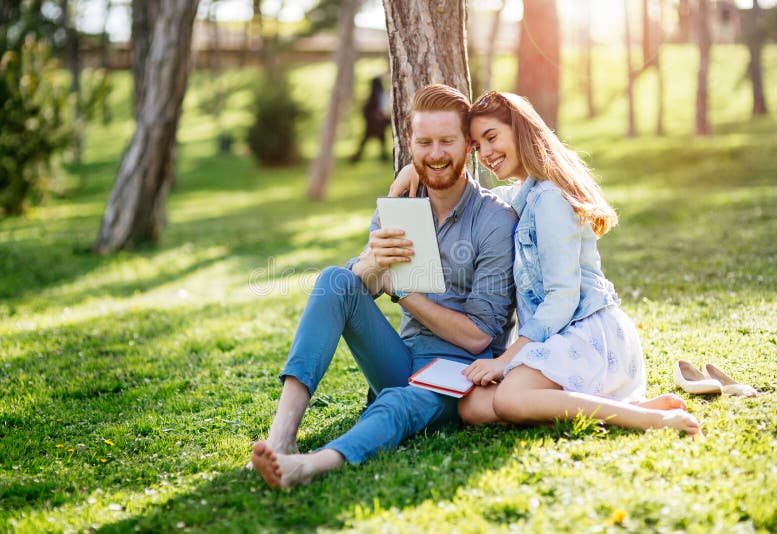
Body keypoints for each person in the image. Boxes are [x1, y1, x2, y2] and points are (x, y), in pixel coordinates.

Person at [250, 84, 518, 489]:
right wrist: (372, 264)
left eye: (447, 141)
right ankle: (282, 435)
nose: (436, 153)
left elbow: (480, 337)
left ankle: (310, 466)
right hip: (402, 359)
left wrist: (403, 293)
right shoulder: (401, 205)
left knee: (397, 403)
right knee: (334, 279)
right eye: (425, 142)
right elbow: (357, 290)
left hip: (461, 375)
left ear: (468, 145)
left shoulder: (495, 221)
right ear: (410, 144)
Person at [389, 91, 700, 435]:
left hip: (584, 331)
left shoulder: (551, 198)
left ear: (520, 130)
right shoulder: (521, 196)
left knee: (509, 400)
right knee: (472, 407)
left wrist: (506, 359)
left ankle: (648, 419)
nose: (487, 153)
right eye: (478, 146)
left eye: (492, 137)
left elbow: (562, 300)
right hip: (553, 338)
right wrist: (410, 170)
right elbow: (476, 197)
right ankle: (620, 407)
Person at [350, 74, 391, 162]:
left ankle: (383, 157)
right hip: (372, 119)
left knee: (380, 137)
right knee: (369, 137)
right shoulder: (375, 92)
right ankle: (355, 158)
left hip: (378, 119)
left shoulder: (381, 91)